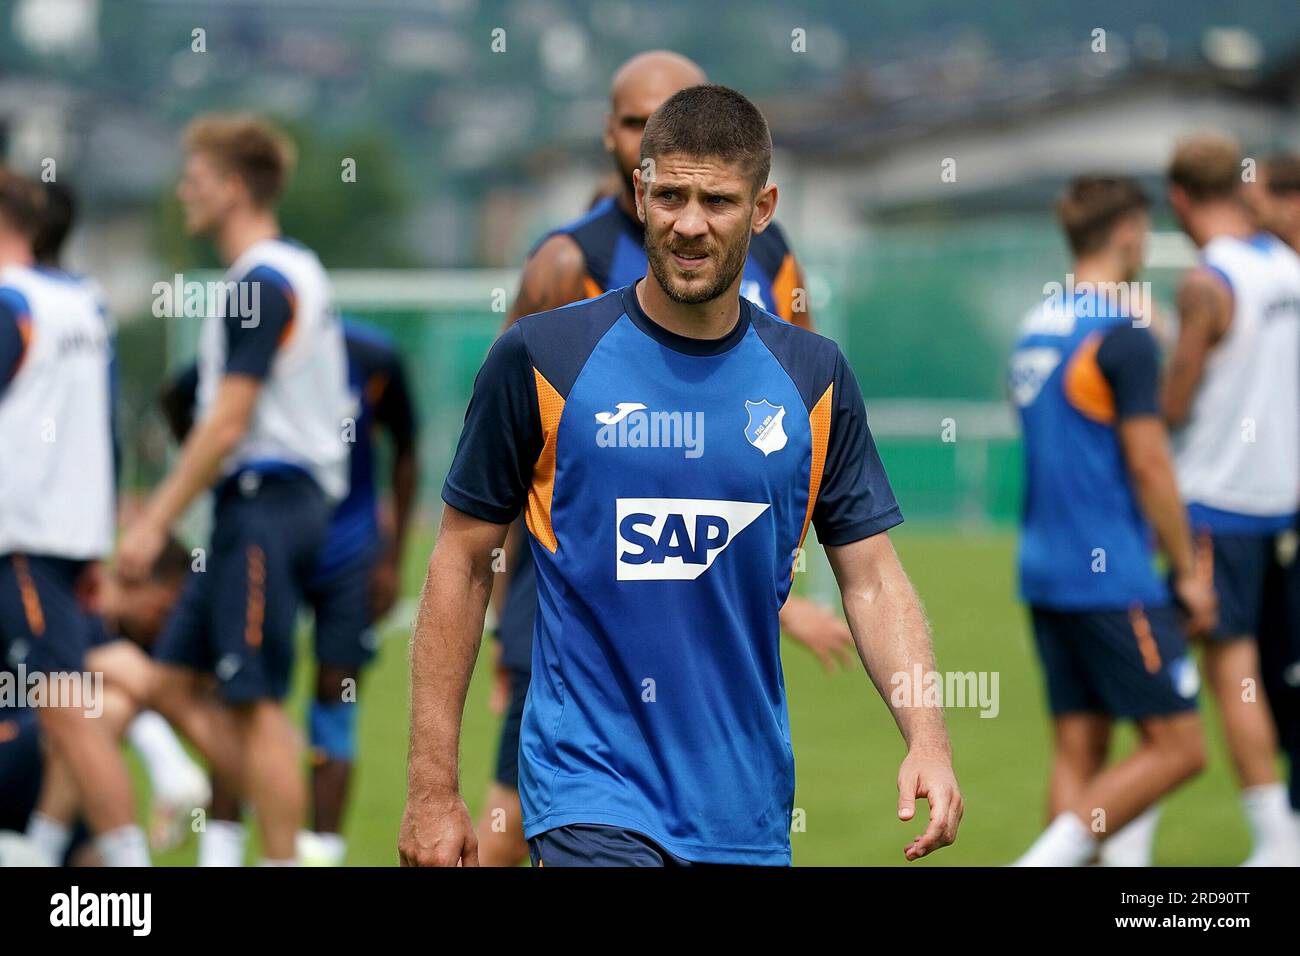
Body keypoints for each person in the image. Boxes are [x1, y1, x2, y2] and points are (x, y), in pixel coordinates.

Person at [400, 85, 962, 867]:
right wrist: (432, 790)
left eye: (717, 201)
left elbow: (871, 578)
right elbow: (460, 561)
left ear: (762, 209)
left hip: (746, 813)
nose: (688, 224)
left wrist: (926, 737)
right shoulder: (542, 358)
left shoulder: (812, 377)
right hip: (587, 794)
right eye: (669, 195)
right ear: (639, 192)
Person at [479, 49, 854, 867]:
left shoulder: (770, 252)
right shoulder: (566, 260)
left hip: (709, 585)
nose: (692, 220)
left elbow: (799, 413)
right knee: (518, 803)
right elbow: (502, 448)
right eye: (630, 121)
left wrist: (780, 583)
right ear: (618, 143)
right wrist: (495, 593)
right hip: (570, 582)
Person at [117, 113, 352, 866]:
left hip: (270, 504)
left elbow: (226, 424)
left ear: (235, 186)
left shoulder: (266, 279)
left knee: (253, 703)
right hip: (252, 508)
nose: (184, 189)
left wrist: (154, 520)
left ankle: (281, 855)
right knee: (170, 681)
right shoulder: (282, 271)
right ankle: (215, 787)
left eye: (198, 177)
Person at [160, 319, 419, 867]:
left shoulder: (373, 356)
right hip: (267, 535)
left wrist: (391, 560)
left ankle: (321, 852)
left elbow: (407, 448)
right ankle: (223, 847)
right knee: (242, 694)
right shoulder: (262, 351)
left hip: (347, 549)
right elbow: (177, 397)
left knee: (336, 692)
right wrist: (212, 467)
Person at [1009, 176, 1213, 866]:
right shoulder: (1121, 337)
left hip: (1043, 566)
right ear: (1129, 234)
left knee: (1080, 748)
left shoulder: (1034, 327)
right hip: (1109, 573)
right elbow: (1151, 464)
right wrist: (1188, 570)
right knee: (1181, 748)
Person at [0, 167, 149, 866]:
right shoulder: (85, 302)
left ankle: (127, 871)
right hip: (63, 537)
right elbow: (105, 430)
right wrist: (94, 547)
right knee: (67, 701)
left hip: (20, 534)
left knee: (65, 707)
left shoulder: (10, 302)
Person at [1163, 134, 1300, 865]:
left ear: (1179, 198)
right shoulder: (1285, 263)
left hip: (1214, 497)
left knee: (1226, 667)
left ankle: (1276, 840)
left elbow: (1175, 401)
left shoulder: (1205, 283)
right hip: (1281, 493)